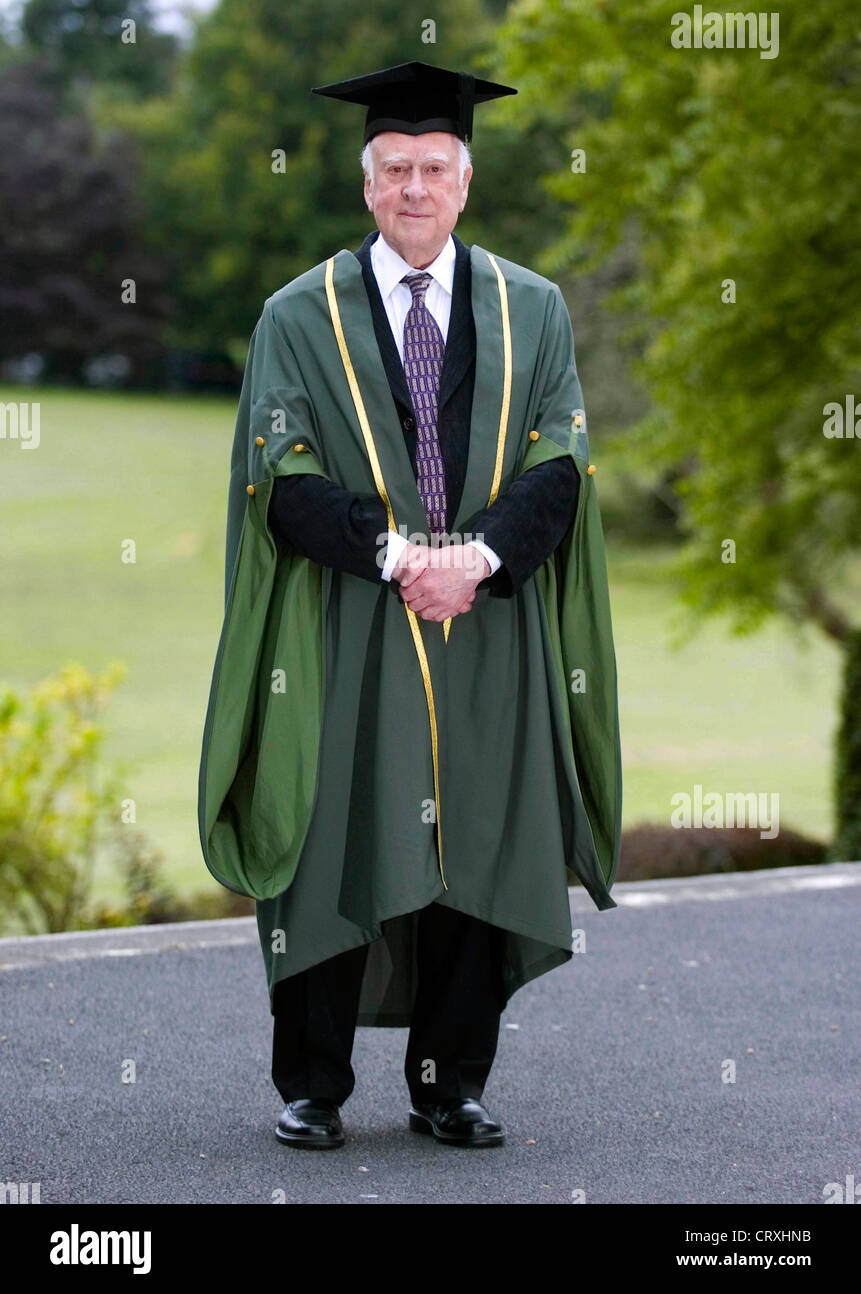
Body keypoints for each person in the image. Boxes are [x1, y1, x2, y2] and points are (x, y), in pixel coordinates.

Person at [197, 60, 622, 1151]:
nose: (415, 187)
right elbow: (278, 477)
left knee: (476, 840)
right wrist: (398, 557)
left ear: (466, 181)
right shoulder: (300, 314)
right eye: (395, 169)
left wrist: (475, 558)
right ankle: (314, 1086)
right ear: (368, 182)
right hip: (354, 618)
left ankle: (451, 1085)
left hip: (490, 612)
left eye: (435, 166)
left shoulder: (533, 309)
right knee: (334, 834)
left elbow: (560, 462)